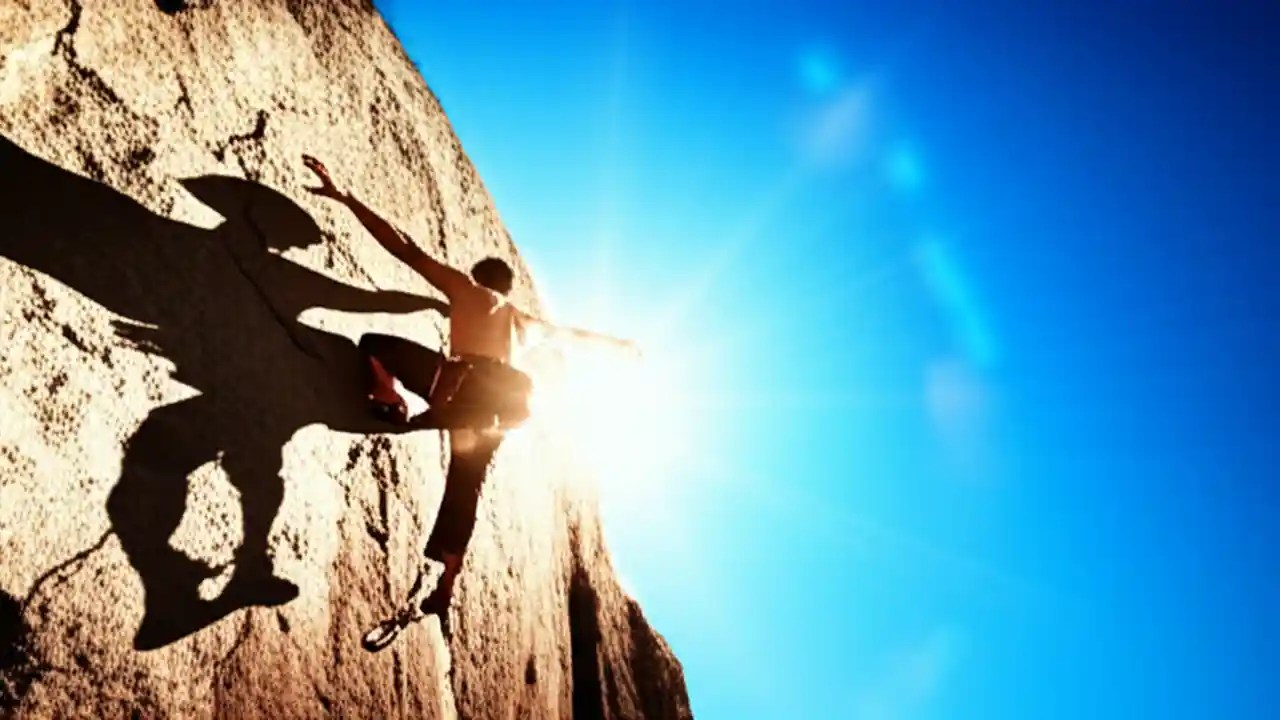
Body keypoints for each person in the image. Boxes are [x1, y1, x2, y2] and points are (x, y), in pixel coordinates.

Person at [301, 155, 634, 646]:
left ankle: (392, 403)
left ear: (478, 276)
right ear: (510, 287)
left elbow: (405, 248)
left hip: (462, 386)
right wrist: (621, 347)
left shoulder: (466, 289)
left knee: (374, 346)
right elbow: (576, 337)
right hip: (504, 409)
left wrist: (346, 197)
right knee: (465, 489)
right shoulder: (524, 322)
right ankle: (445, 587)